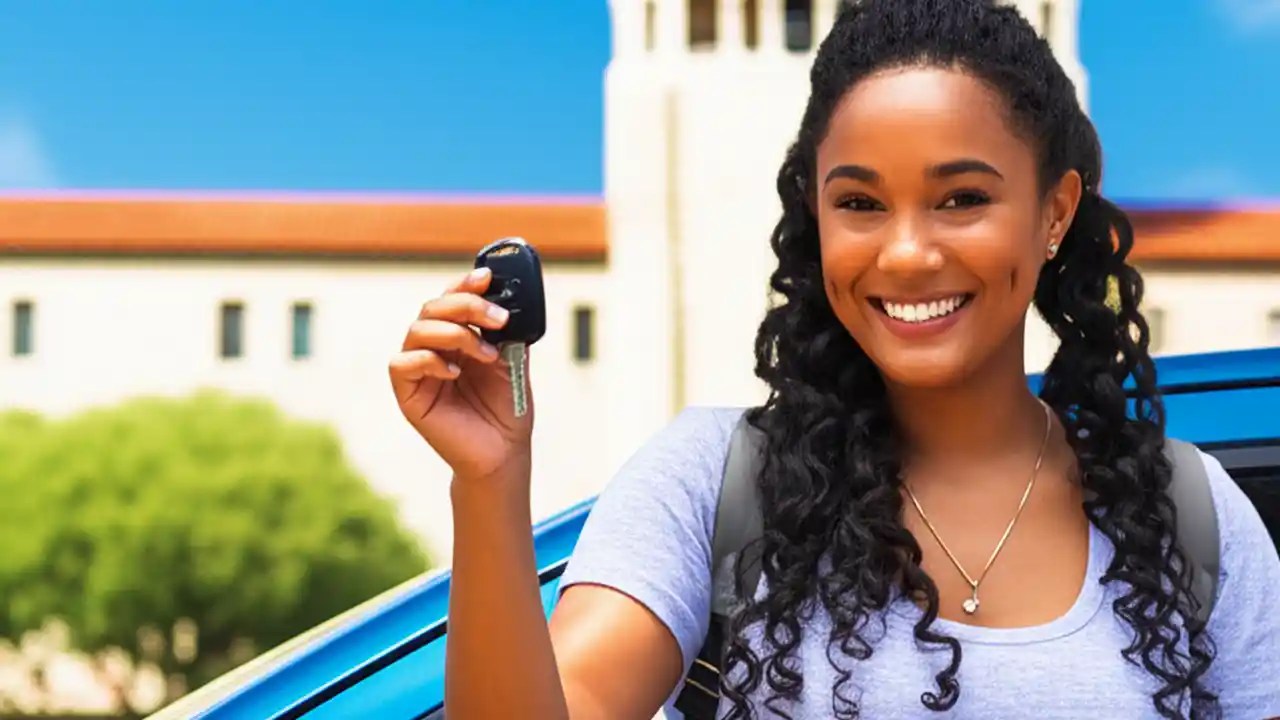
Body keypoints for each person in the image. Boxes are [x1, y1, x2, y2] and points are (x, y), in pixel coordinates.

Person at [388, 0, 1280, 717]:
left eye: (961, 198)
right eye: (859, 203)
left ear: (1055, 213)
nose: (904, 254)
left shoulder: (1193, 524)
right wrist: (491, 486)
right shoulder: (713, 484)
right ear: (816, 218)